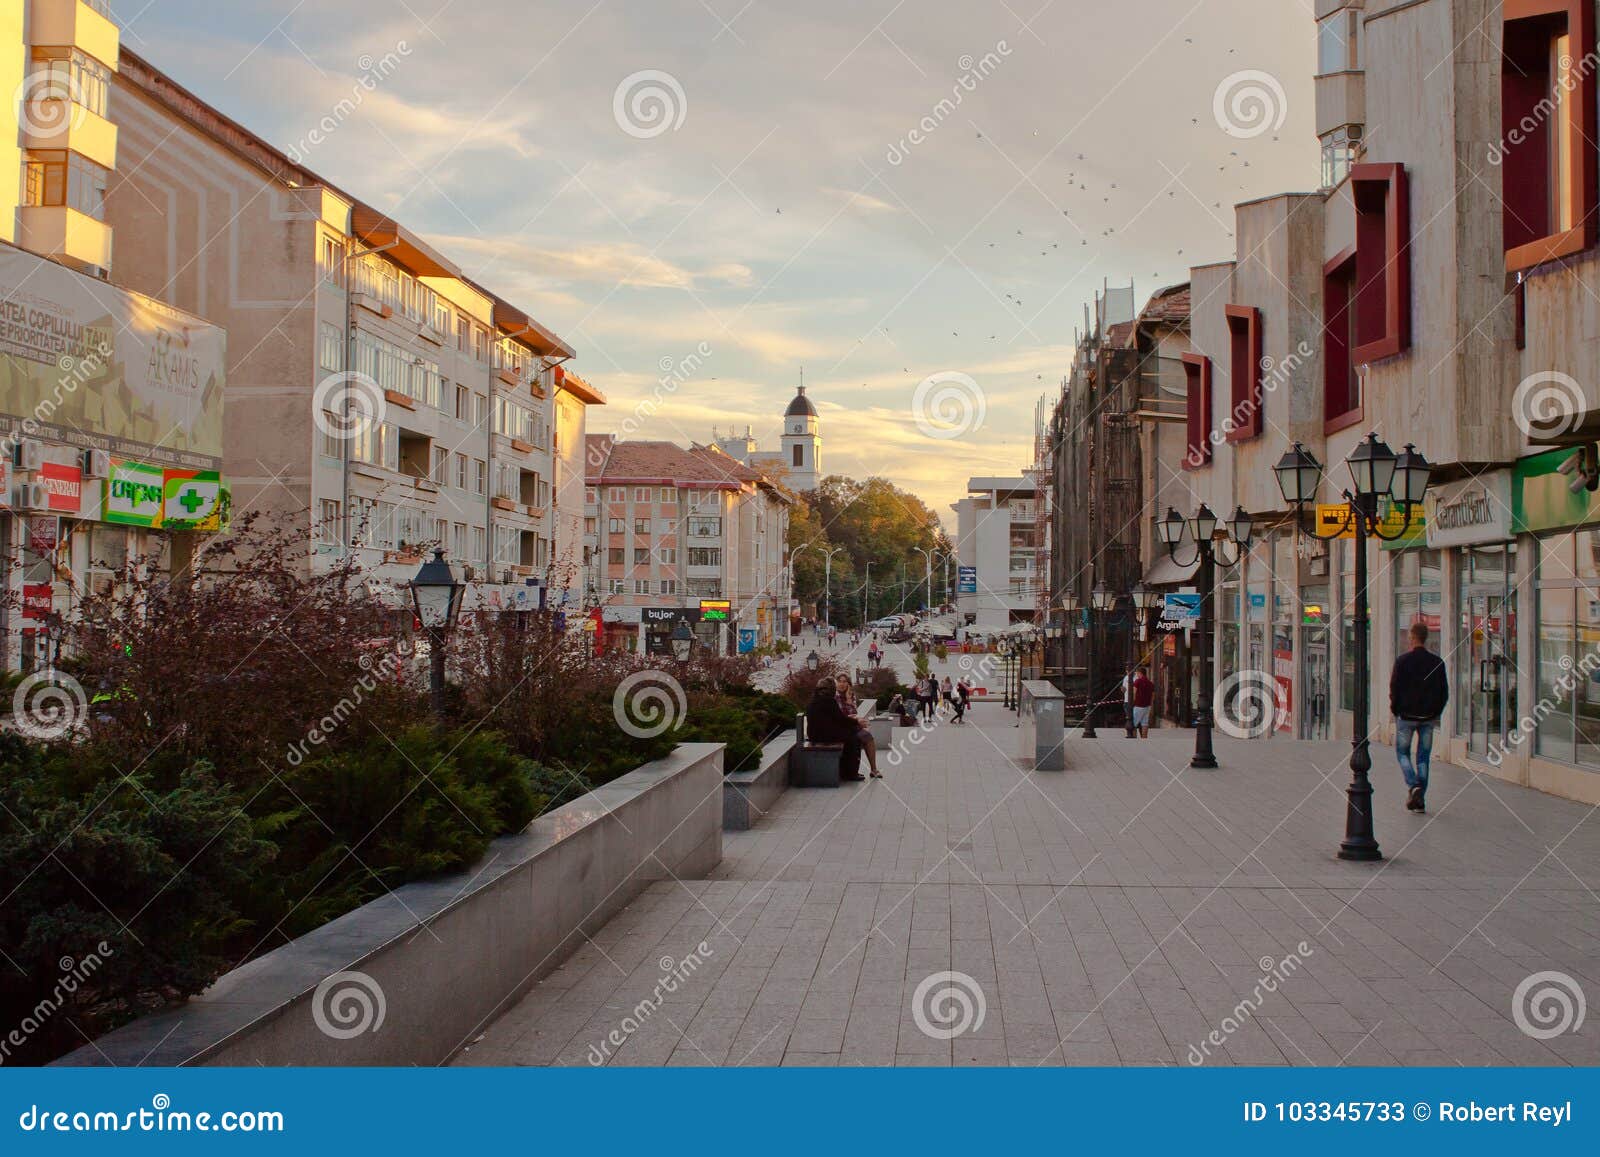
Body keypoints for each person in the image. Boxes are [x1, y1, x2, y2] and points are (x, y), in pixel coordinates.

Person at [1390, 621, 1448, 813]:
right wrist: (1436, 712)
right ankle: (1419, 800)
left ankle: (1413, 784)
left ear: (1412, 637)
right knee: (1423, 757)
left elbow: (1394, 689)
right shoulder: (1437, 663)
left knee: (1402, 753)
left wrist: (1396, 709)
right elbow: (1443, 692)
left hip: (1406, 716)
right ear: (1426, 638)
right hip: (1428, 717)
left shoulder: (1402, 661)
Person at [806, 678, 865, 781]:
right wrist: (856, 722)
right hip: (823, 736)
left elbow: (833, 720)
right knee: (854, 739)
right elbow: (840, 719)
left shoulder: (813, 700)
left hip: (814, 735)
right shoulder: (829, 701)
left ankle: (844, 771)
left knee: (850, 734)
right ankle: (851, 773)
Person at [835, 675, 882, 778]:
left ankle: (874, 769)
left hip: (851, 725)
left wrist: (849, 700)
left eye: (845, 681)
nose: (842, 684)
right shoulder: (835, 696)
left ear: (848, 684)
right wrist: (854, 719)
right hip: (841, 727)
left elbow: (854, 712)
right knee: (862, 736)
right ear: (836, 683)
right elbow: (840, 716)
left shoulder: (851, 695)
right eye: (840, 681)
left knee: (868, 736)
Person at [1130, 665, 1156, 738]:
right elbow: (1153, 695)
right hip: (1147, 706)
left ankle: (1133, 737)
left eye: (1137, 673)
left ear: (1140, 673)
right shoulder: (1150, 683)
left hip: (1138, 705)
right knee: (1145, 723)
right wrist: (1150, 704)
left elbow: (1134, 693)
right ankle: (1144, 738)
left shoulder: (1137, 681)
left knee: (1133, 723)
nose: (1136, 675)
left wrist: (1132, 702)